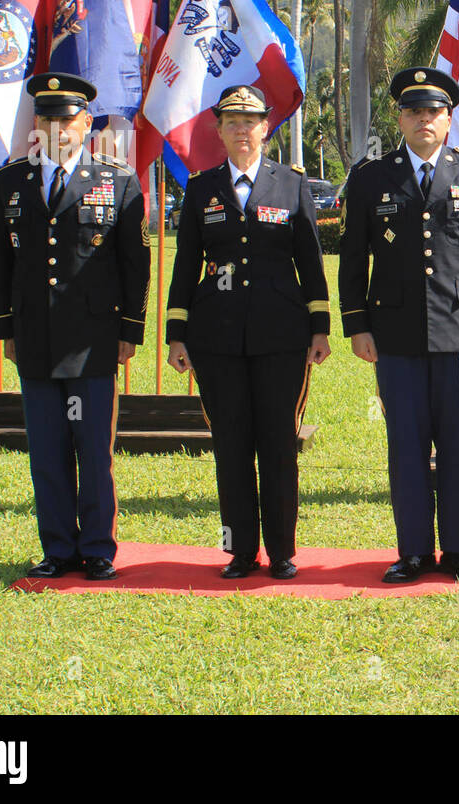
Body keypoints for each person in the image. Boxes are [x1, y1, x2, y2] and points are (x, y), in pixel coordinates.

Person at [338, 67, 459, 583]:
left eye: (433, 111)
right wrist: (358, 325)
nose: (424, 119)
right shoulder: (372, 177)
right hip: (394, 333)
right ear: (400, 117)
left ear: (449, 117)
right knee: (407, 443)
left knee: (458, 440)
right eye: (414, 110)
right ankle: (414, 551)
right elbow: (353, 257)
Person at [165, 85, 331, 580]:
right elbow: (186, 264)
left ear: (266, 128)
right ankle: (239, 551)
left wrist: (319, 327)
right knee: (232, 446)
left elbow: (310, 260)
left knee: (279, 445)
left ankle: (282, 551)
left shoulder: (291, 184)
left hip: (282, 335)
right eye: (231, 121)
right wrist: (178, 333)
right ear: (219, 129)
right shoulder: (201, 188)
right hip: (216, 337)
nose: (241, 129)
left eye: (250, 121)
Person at [0, 73, 150, 581]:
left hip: (93, 339)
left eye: (67, 118)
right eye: (48, 117)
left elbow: (135, 265)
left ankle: (98, 548)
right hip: (35, 337)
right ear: (38, 123)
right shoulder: (10, 180)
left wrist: (130, 330)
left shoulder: (117, 180)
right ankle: (58, 549)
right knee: (47, 450)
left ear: (86, 123)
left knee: (92, 449)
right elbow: (1, 262)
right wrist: (5, 329)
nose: (58, 127)